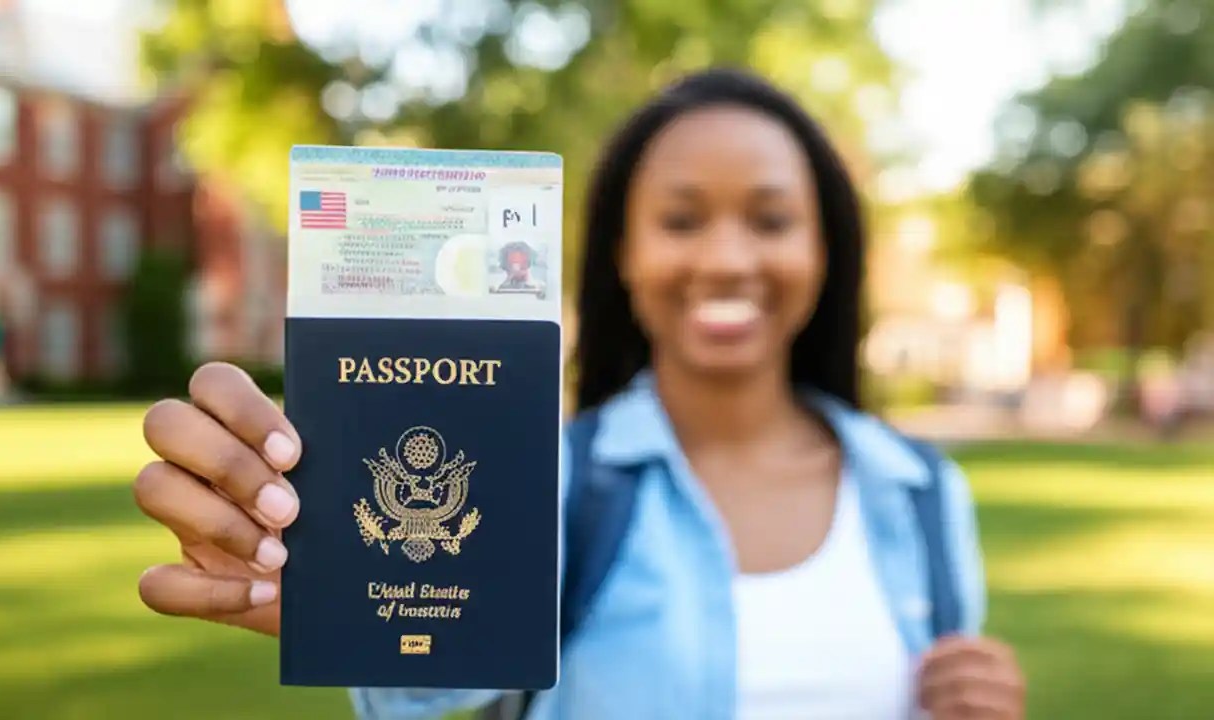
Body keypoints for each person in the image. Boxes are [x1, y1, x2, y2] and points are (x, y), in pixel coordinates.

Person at [133, 68, 1025, 720]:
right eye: (680, 220)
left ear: (826, 251)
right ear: (622, 257)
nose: (724, 257)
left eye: (770, 218)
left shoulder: (921, 492)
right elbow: (420, 684)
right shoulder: (548, 483)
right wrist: (326, 586)